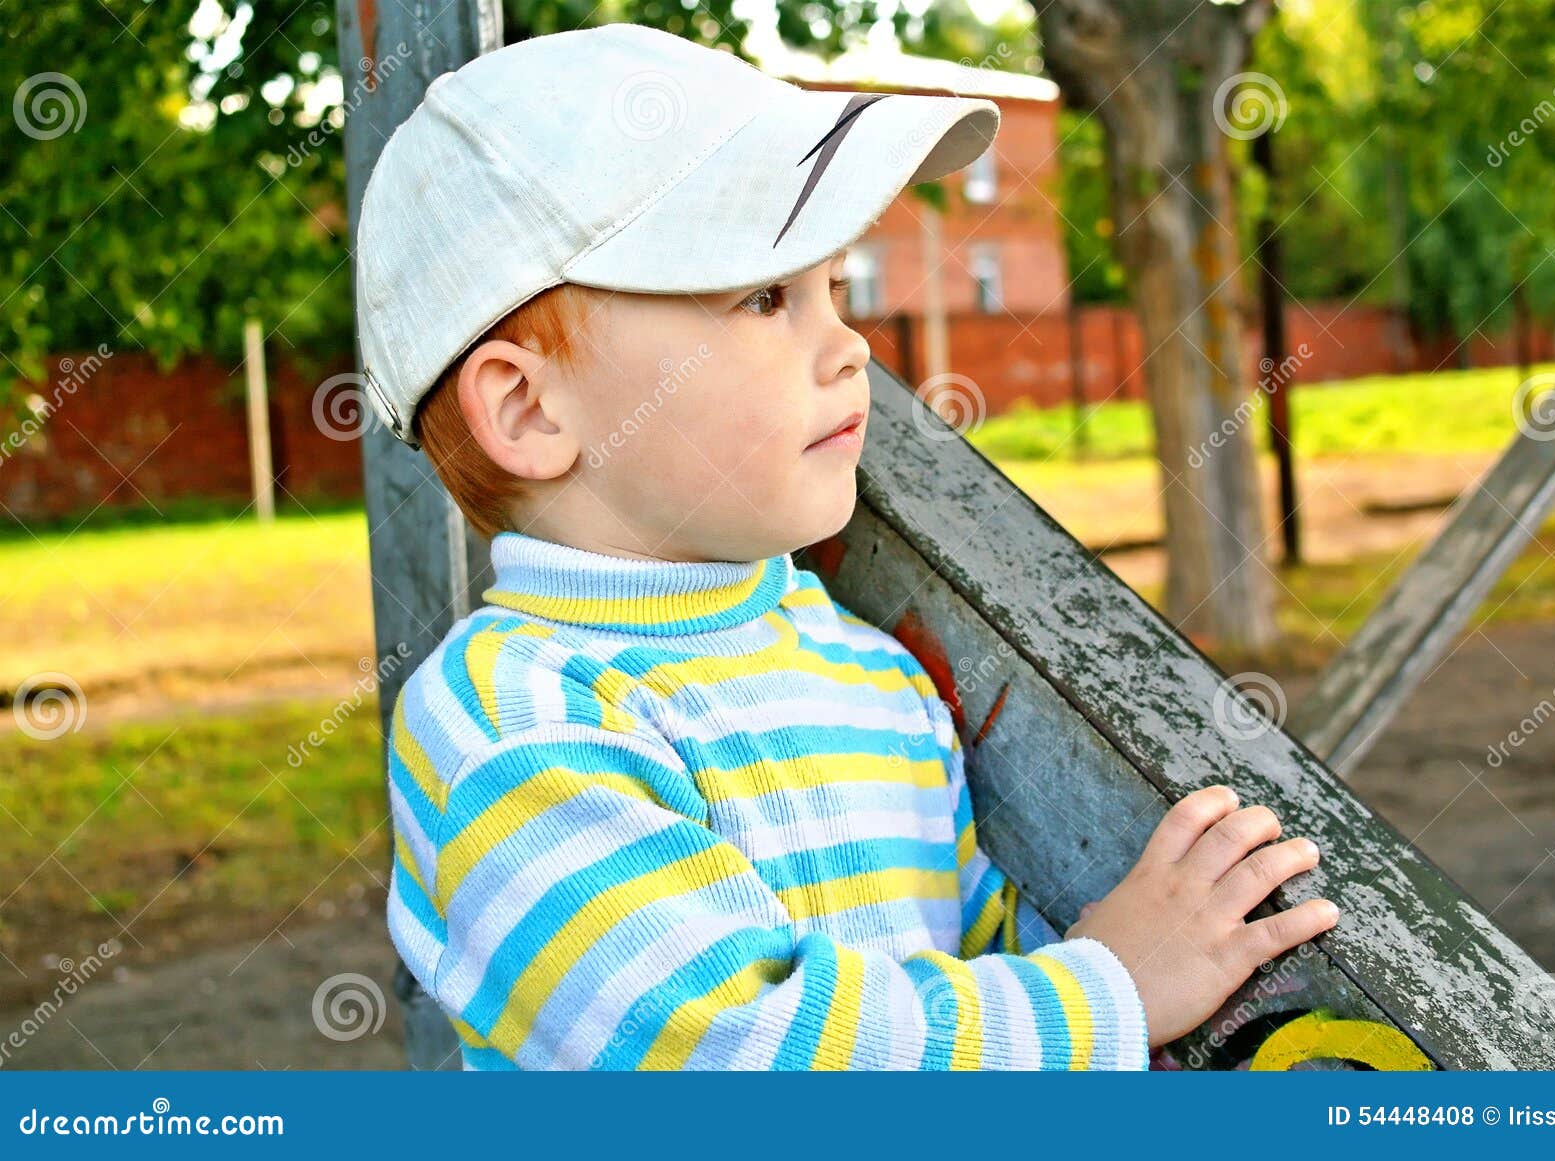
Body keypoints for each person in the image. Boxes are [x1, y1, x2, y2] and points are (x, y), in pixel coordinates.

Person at [355, 22, 1338, 1070]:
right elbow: (734, 1055)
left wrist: (1127, 948)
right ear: (530, 409)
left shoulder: (867, 669)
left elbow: (967, 967)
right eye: (764, 296)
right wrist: (1106, 993)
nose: (851, 346)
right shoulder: (512, 724)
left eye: (836, 286)